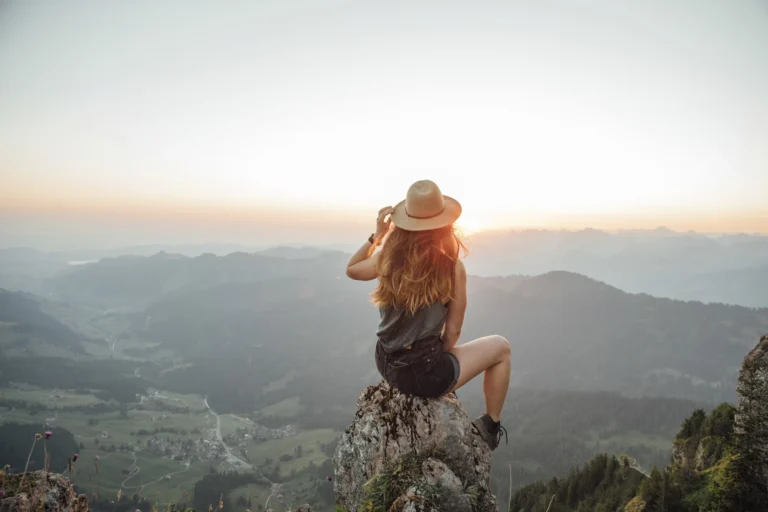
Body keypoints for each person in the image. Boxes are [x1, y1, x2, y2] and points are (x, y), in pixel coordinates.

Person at [345, 179, 511, 450]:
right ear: (446, 225)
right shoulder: (452, 269)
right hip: (423, 373)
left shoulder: (388, 257)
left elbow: (352, 270)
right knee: (501, 348)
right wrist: (437, 361)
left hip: (385, 361)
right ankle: (491, 426)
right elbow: (454, 331)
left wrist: (377, 235)